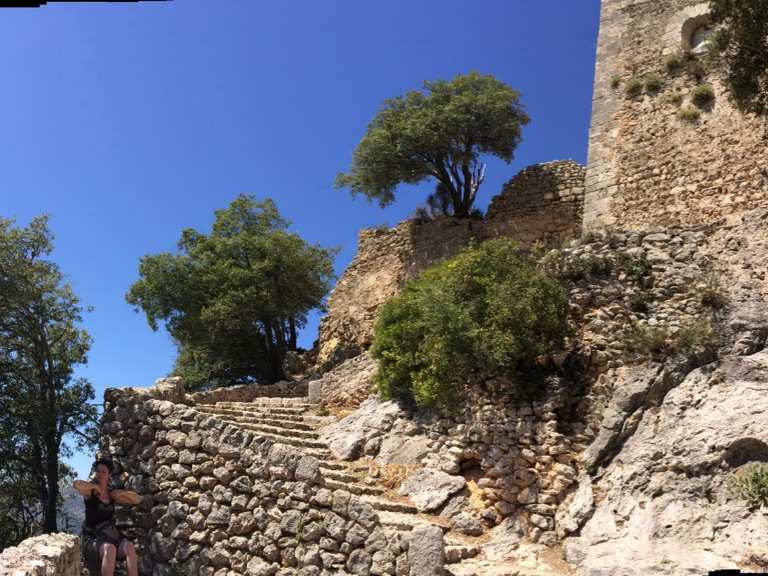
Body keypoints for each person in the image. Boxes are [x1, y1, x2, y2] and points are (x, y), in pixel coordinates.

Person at [73, 458, 142, 576]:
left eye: (103, 472)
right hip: (92, 539)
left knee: (130, 547)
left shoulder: (111, 493)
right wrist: (95, 487)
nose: (99, 474)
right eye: (98, 471)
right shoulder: (90, 492)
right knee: (109, 549)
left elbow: (138, 499)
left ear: (109, 475)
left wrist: (122, 493)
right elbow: (76, 484)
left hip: (109, 537)